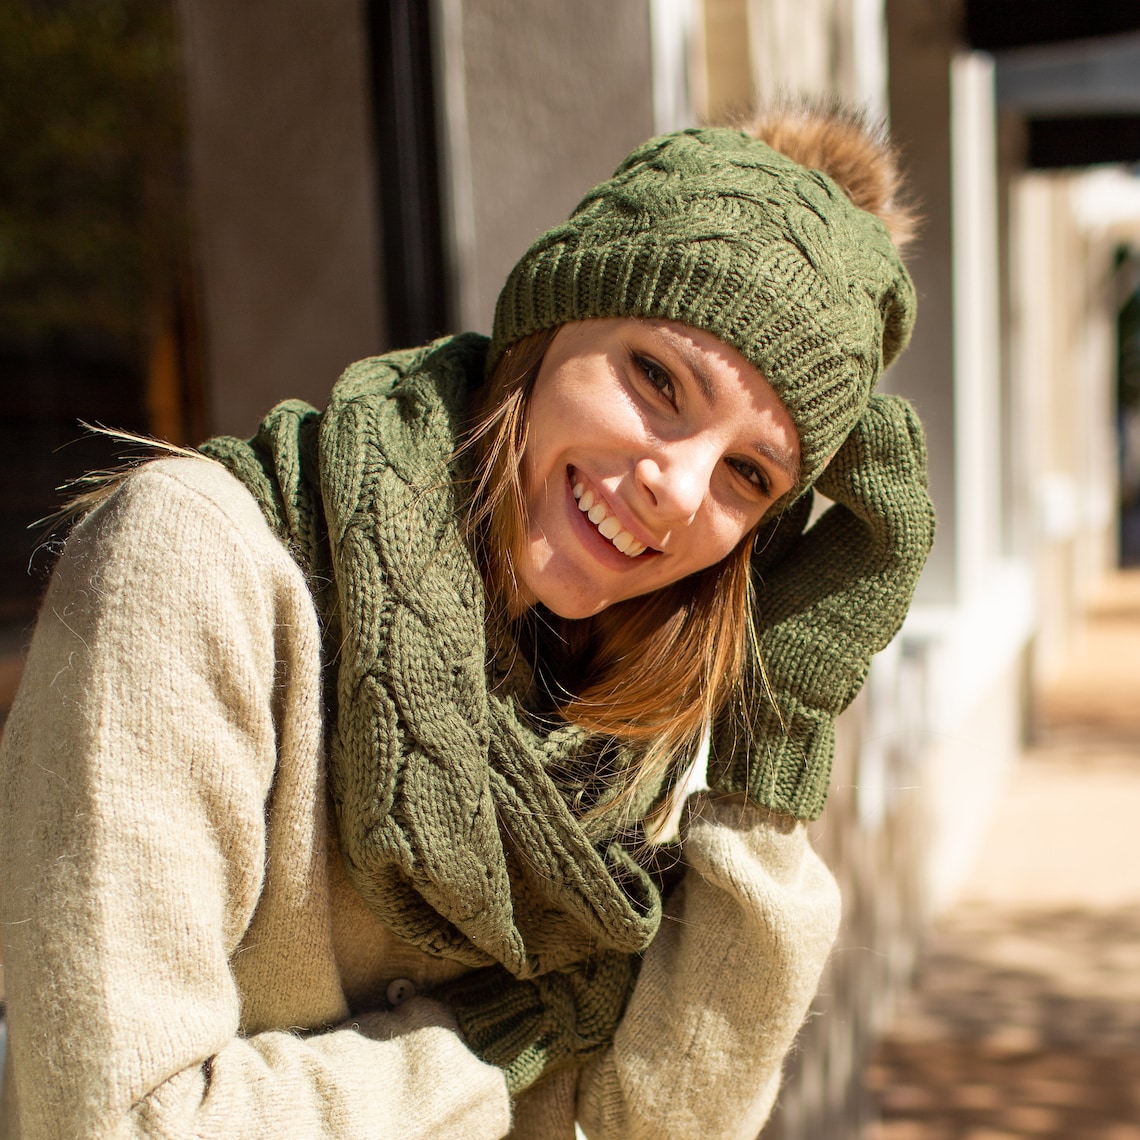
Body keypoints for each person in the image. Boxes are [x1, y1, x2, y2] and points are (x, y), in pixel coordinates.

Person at [0, 103, 934, 1139]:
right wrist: (490, 1046)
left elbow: (663, 1122)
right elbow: (114, 1119)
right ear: (549, 323)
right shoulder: (194, 572)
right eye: (658, 378)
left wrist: (774, 741)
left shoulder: (619, 718)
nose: (677, 487)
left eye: (748, 475)